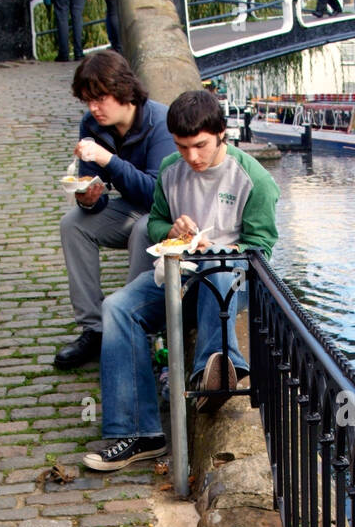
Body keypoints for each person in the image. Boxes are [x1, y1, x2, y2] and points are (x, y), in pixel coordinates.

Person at [84, 89, 280, 471]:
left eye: (200, 146)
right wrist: (171, 228)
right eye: (182, 146)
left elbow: (260, 250)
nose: (192, 157)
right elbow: (155, 221)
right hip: (177, 272)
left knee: (218, 272)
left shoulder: (254, 179)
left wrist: (218, 249)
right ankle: (141, 434)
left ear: (222, 133)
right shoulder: (172, 170)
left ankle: (215, 374)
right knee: (117, 308)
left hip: (229, 278)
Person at [54, 51, 176, 370]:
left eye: (100, 99)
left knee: (144, 228)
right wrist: (90, 198)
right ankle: (94, 329)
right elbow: (97, 186)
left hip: (166, 214)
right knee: (74, 224)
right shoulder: (92, 124)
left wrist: (109, 160)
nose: (94, 108)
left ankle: (135, 326)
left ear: (123, 91)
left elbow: (155, 194)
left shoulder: (160, 123)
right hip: (127, 208)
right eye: (88, 101)